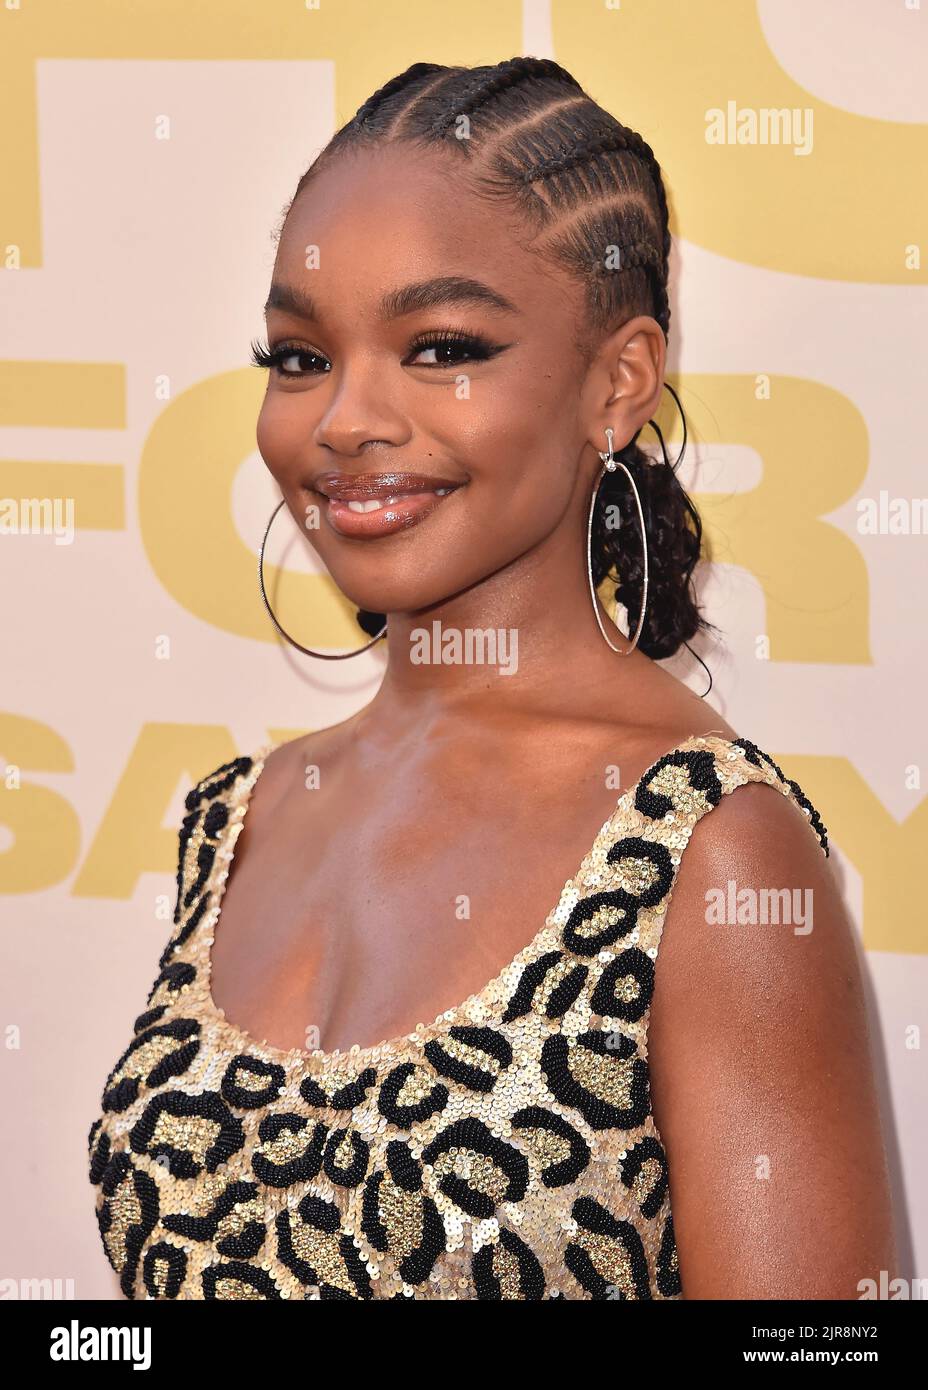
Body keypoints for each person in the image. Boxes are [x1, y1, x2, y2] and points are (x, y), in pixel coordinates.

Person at [88, 57, 896, 1301]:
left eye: (441, 346)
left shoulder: (707, 850)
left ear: (616, 383)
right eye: (299, 356)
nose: (344, 417)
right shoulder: (233, 817)